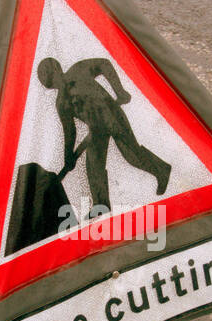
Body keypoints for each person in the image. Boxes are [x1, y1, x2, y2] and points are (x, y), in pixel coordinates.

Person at [36, 57, 171, 215]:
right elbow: (70, 131)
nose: (51, 80)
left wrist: (119, 90)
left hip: (111, 115)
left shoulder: (78, 70)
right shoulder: (61, 103)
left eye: (47, 75)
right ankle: (101, 205)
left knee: (132, 155)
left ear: (55, 69)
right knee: (93, 166)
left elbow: (104, 64)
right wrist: (68, 157)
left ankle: (162, 170)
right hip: (96, 130)